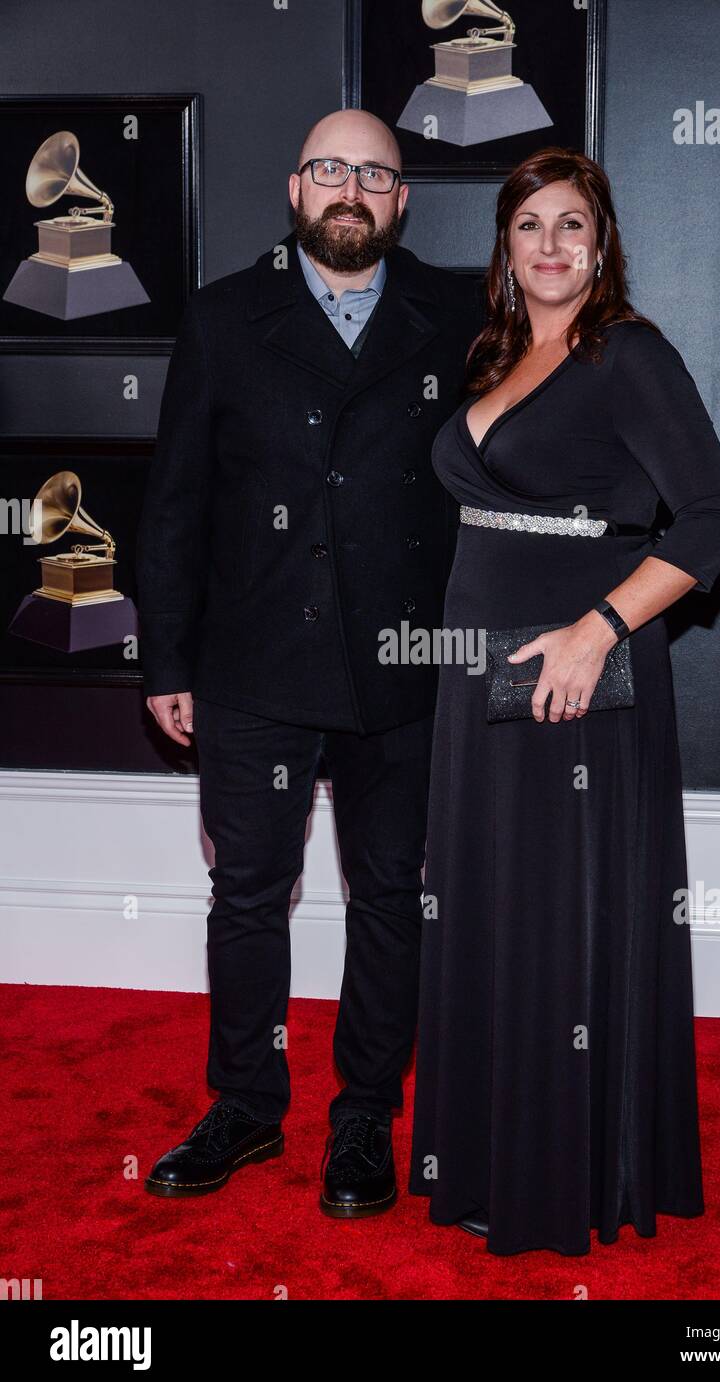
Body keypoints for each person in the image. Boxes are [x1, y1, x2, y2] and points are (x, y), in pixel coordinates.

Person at [136, 109, 479, 1215]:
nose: (351, 189)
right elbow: (177, 502)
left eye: (373, 173)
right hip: (251, 661)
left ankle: (365, 1114)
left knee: (389, 895)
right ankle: (244, 1106)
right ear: (294, 190)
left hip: (405, 665)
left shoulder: (460, 317)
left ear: (400, 199)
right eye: (330, 168)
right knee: (247, 894)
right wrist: (164, 662)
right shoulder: (225, 316)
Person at [407, 147, 720, 1256]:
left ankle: (563, 1174)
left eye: (572, 226)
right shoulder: (499, 351)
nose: (550, 246)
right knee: (492, 909)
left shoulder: (625, 354)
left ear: (600, 247)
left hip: (571, 680)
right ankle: (492, 1155)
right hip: (479, 674)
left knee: (558, 922)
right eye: (528, 227)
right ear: (504, 250)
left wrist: (599, 631)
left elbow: (710, 519)